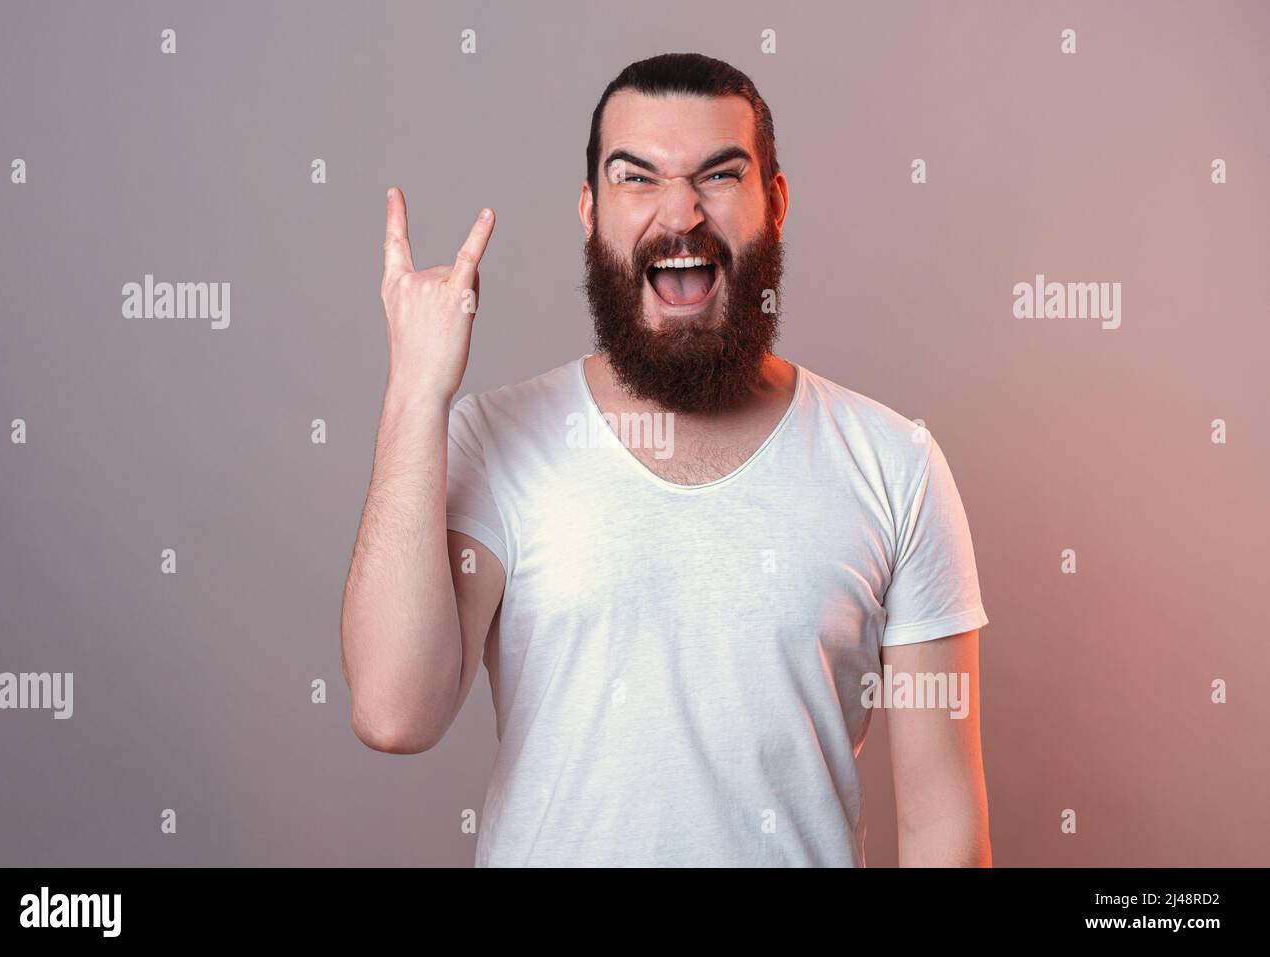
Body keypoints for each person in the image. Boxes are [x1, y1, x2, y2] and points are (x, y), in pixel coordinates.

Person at [341, 52, 992, 867]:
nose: (680, 212)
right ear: (590, 210)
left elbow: (944, 828)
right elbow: (396, 711)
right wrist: (414, 391)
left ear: (775, 203)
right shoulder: (493, 439)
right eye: (637, 178)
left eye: (719, 175)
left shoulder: (896, 464)